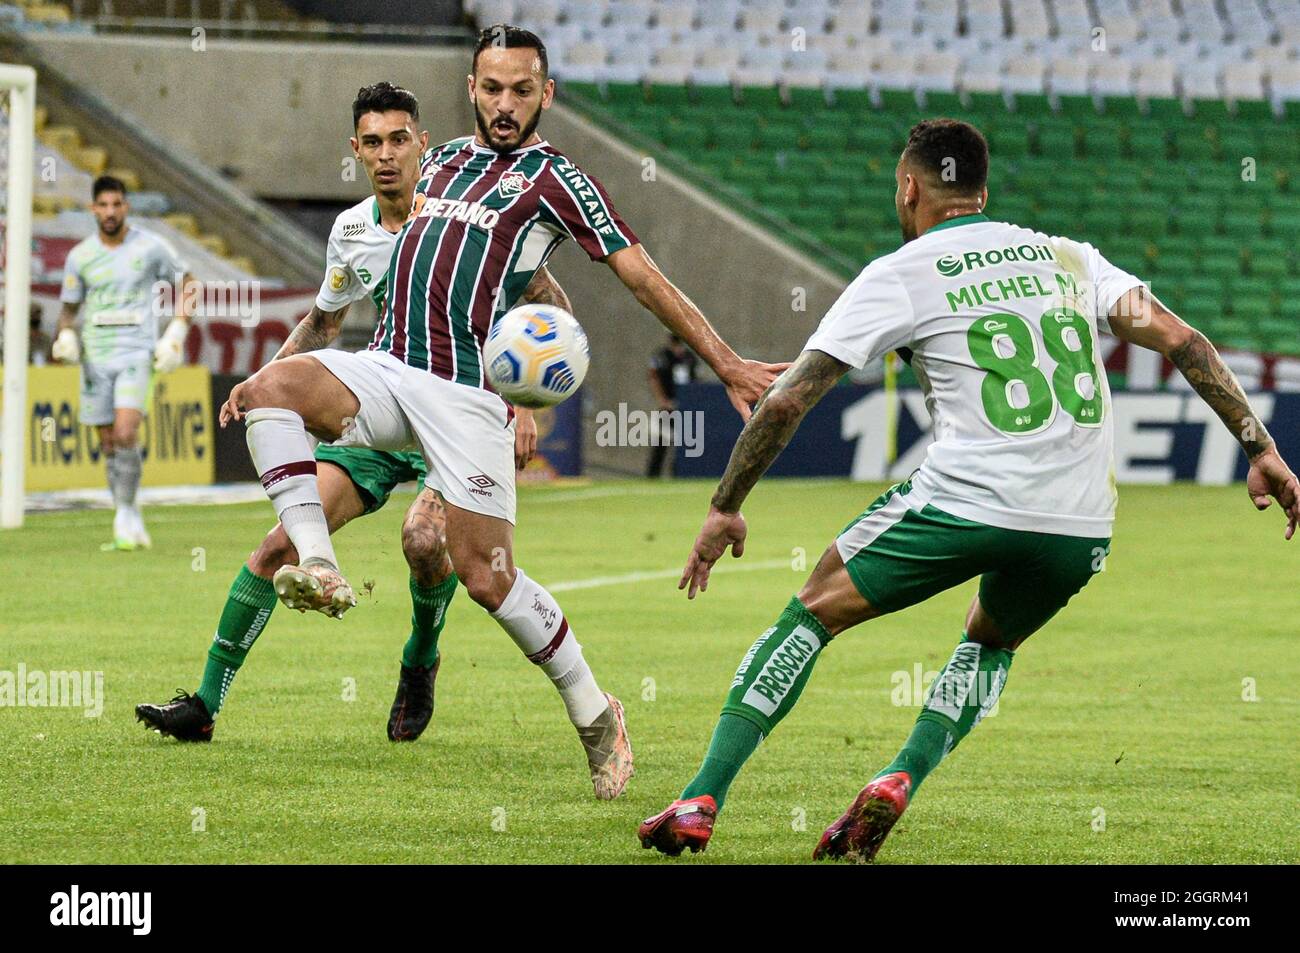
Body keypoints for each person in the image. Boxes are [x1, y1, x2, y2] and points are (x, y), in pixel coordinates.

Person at [639, 118, 1300, 859]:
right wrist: (1261, 447)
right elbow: (1185, 341)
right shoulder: (1068, 258)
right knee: (991, 641)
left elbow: (790, 398)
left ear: (910, 186)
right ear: (982, 190)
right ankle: (900, 775)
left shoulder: (904, 270)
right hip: (1079, 522)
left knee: (812, 613)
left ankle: (702, 794)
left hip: (966, 499)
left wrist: (726, 504)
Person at [219, 25, 787, 801]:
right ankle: (318, 563)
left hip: (464, 397)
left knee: (488, 579)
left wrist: (723, 360)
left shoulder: (559, 181)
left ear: (546, 94)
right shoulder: (442, 159)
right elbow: (398, 232)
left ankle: (597, 713)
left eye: (523, 90)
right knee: (267, 390)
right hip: (387, 367)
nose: (505, 104)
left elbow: (637, 272)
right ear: (471, 89)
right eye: (492, 88)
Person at [135, 82, 564, 746]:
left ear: (423, 143)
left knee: (425, 542)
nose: (387, 155)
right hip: (384, 396)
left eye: (400, 139)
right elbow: (324, 323)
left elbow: (544, 302)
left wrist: (524, 396)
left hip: (464, 412)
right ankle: (205, 703)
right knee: (282, 544)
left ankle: (421, 653)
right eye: (372, 143)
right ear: (355, 151)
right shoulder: (355, 231)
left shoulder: (470, 217)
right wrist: (264, 379)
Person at [53, 175, 197, 550]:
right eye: (103, 205)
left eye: (117, 204)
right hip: (95, 356)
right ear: (93, 209)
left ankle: (127, 514)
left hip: (136, 351)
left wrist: (175, 334)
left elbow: (190, 285)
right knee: (106, 439)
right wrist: (65, 335)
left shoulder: (151, 248)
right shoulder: (80, 256)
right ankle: (125, 511)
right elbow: (68, 310)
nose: (110, 212)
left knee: (125, 430)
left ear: (126, 206)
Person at [646, 333, 698, 477]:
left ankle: (679, 473)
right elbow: (653, 376)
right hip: (668, 407)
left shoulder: (689, 357)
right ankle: (653, 475)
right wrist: (662, 399)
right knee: (662, 441)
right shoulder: (662, 356)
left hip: (684, 407)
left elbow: (695, 381)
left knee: (685, 443)